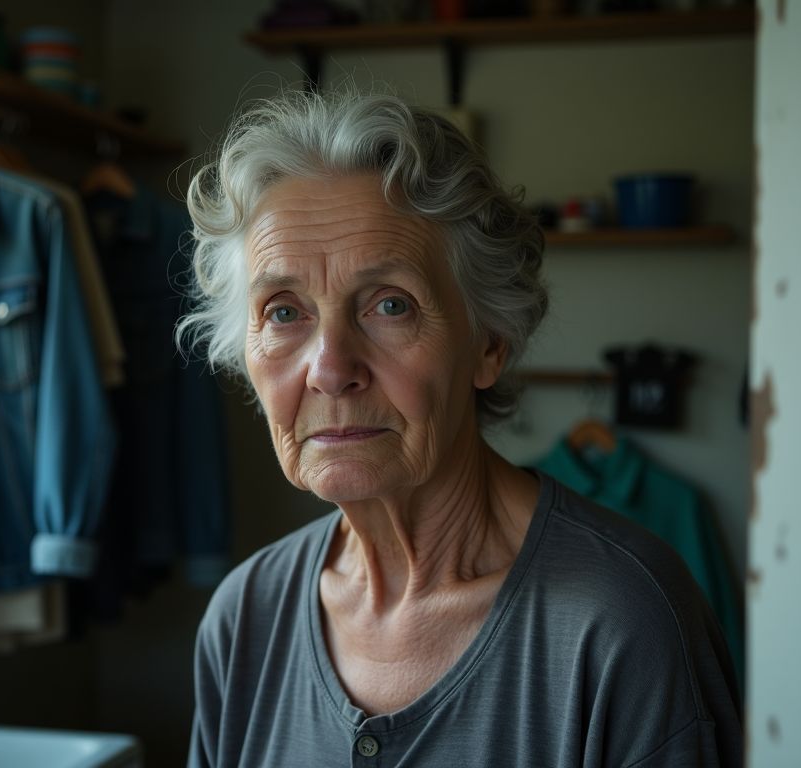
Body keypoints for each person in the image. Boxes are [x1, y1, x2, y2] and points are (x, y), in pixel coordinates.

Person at [177, 88, 742, 768]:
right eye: (282, 312)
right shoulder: (244, 620)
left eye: (390, 304)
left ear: (490, 343)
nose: (330, 369)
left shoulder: (624, 620)